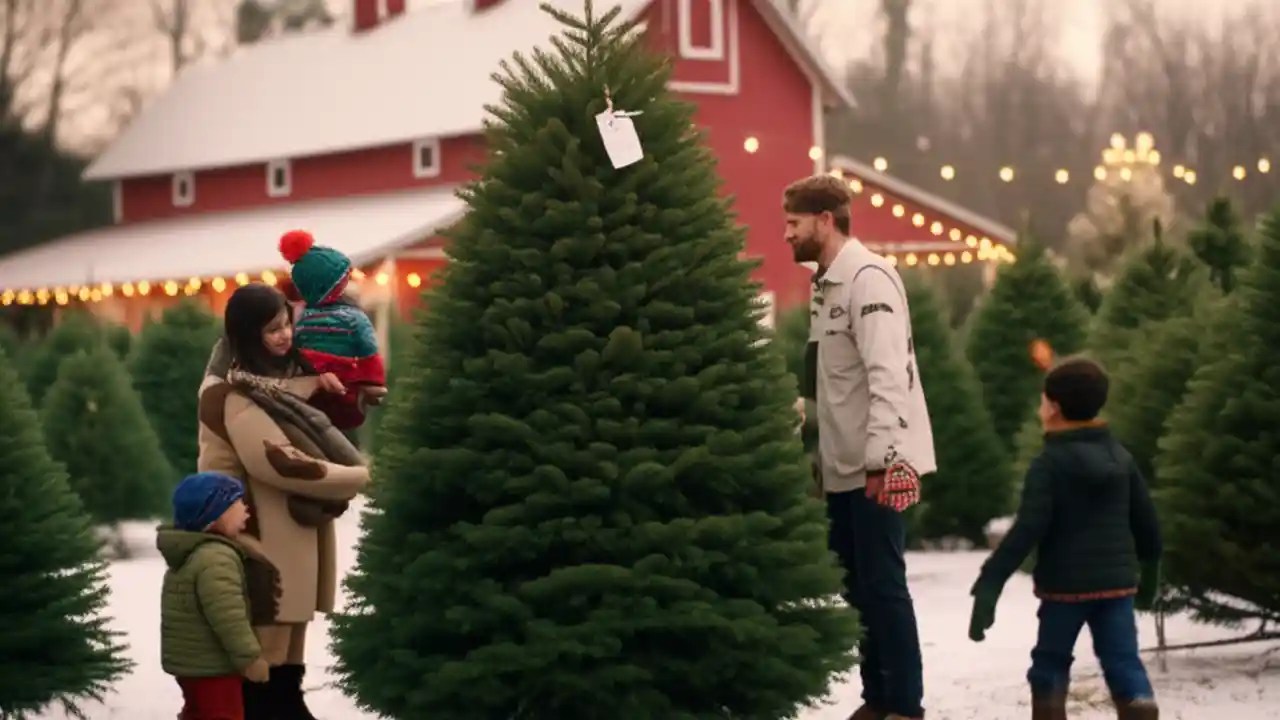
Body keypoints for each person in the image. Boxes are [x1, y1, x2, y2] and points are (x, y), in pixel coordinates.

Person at [784, 174, 936, 720]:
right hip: (841, 465)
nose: (786, 234)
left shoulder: (869, 279)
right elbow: (828, 369)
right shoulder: (825, 283)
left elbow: (886, 374)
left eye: (794, 223)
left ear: (826, 220)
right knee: (856, 586)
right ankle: (877, 697)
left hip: (875, 464)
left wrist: (881, 460)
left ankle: (906, 706)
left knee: (884, 585)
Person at [198, 282, 371, 720]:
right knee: (270, 626)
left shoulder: (270, 381)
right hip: (255, 527)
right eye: (271, 329)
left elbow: (290, 398)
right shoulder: (234, 394)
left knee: (292, 628)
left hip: (287, 522)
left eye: (286, 325)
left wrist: (325, 385)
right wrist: (363, 475)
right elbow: (281, 462)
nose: (285, 336)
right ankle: (266, 709)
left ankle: (288, 701)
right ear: (247, 334)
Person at [968, 357, 1162, 720]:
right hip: (1117, 586)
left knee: (1050, 662)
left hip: (1064, 589)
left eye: (1043, 400)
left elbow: (1027, 529)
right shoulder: (1121, 458)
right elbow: (1146, 521)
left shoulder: (1049, 464)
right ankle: (1140, 708)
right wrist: (1149, 575)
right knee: (1123, 660)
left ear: (1054, 408)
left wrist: (990, 582)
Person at [159, 472, 270, 720]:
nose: (246, 510)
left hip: (192, 664)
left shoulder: (191, 553)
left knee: (198, 713)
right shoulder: (216, 558)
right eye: (238, 503)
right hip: (213, 666)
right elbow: (228, 616)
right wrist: (250, 658)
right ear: (215, 515)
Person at [278, 229, 387, 431]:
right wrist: (374, 379)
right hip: (346, 384)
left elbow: (297, 346)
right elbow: (368, 349)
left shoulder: (302, 318)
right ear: (335, 284)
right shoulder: (354, 317)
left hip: (311, 389)